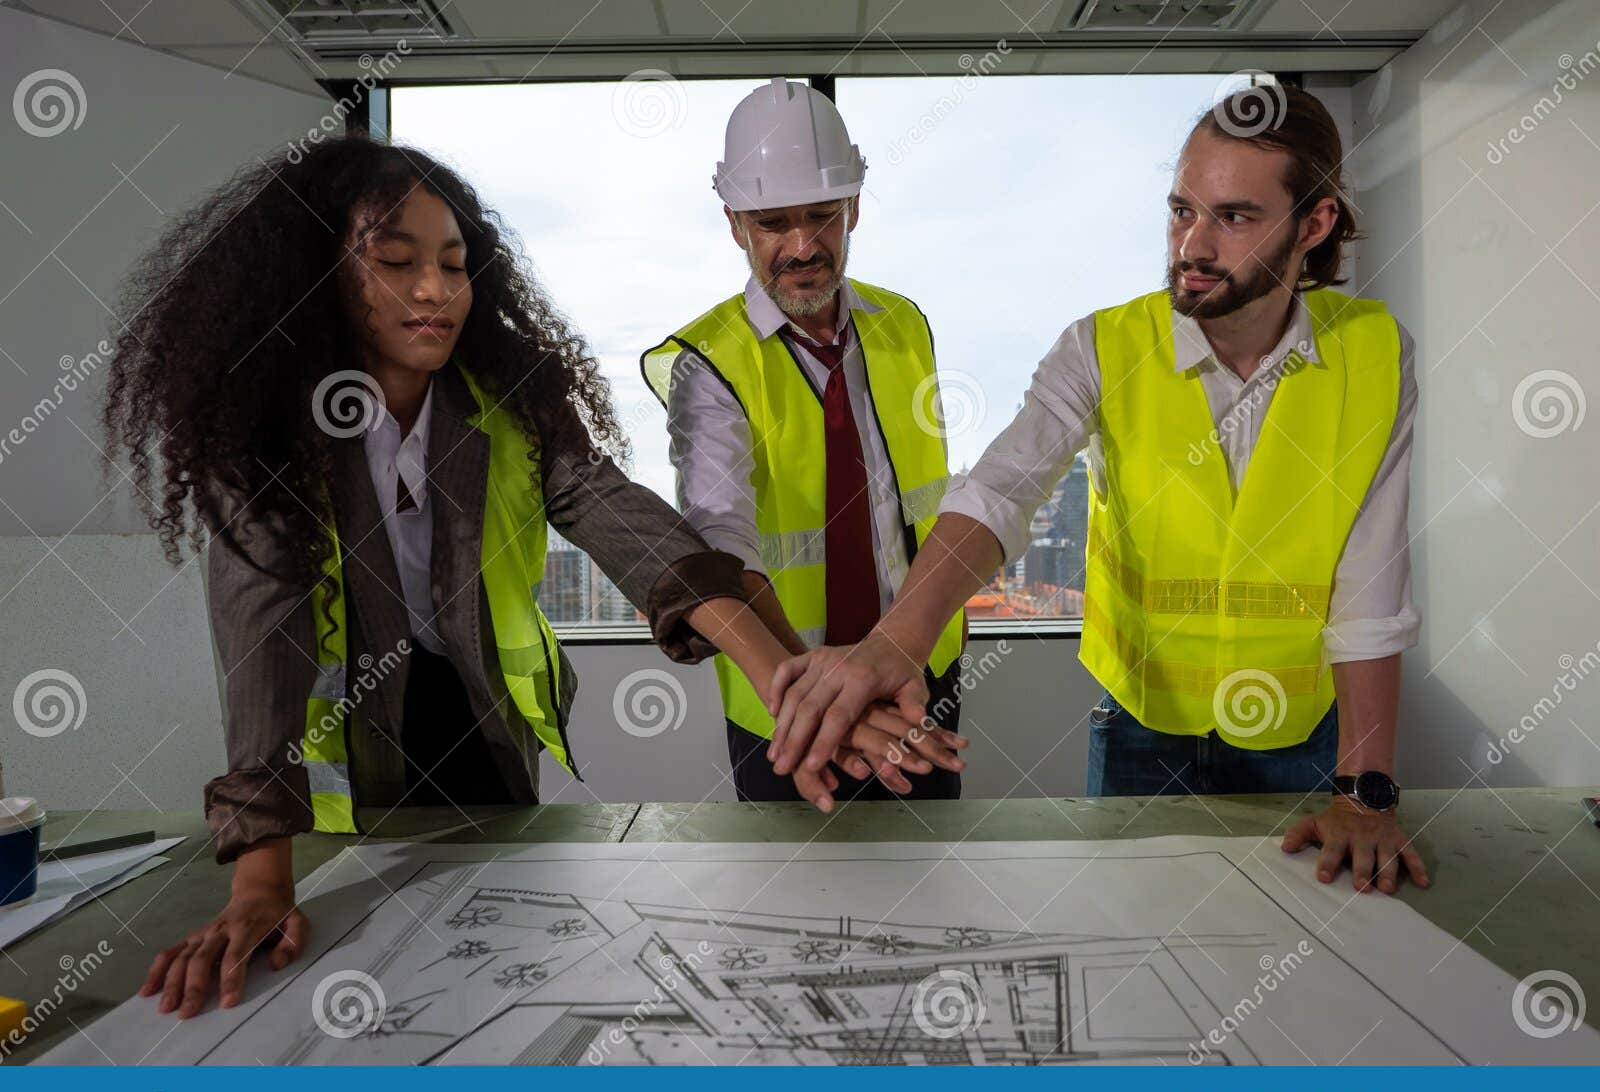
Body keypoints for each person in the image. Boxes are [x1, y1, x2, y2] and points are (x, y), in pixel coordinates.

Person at [102, 134, 962, 1018]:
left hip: (484, 730)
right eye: (396, 263)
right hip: (339, 770)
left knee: (481, 979)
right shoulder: (266, 431)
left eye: (453, 264)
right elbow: (265, 637)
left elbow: (635, 532)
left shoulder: (509, 400)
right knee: (348, 1001)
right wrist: (261, 877)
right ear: (316, 276)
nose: (434, 290)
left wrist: (785, 682)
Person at [766, 84, 1430, 895]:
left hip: (1303, 737)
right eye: (1181, 210)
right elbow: (1000, 490)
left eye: (1234, 217)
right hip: (1141, 730)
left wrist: (1363, 792)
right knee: (1137, 934)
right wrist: (897, 641)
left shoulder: (1374, 356)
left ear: (1314, 225)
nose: (1193, 244)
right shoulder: (1103, 345)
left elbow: (1371, 588)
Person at [642, 79, 969, 806]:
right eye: (772, 224)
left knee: (931, 869)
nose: (803, 247)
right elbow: (722, 543)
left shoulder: (903, 325)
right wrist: (815, 692)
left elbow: (925, 496)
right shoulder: (710, 362)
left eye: (823, 216)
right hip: (787, 699)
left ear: (854, 207)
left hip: (920, 676)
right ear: (735, 225)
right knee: (791, 880)